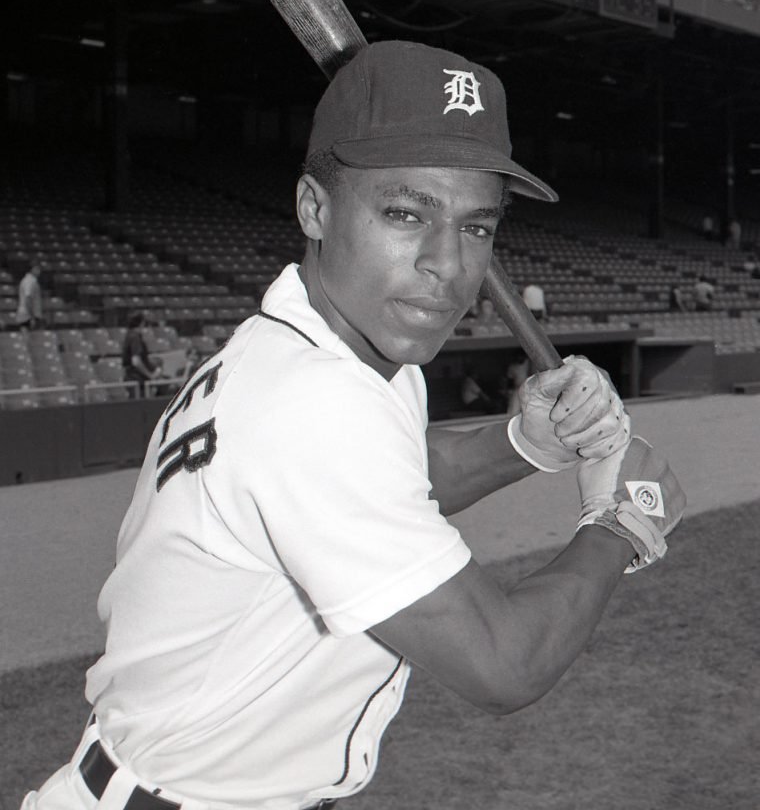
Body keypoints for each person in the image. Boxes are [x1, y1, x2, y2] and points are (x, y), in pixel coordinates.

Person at [23, 41, 686, 810]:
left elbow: (398, 473)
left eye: (476, 227)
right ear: (315, 206)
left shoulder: (318, 348)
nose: (447, 263)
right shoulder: (313, 404)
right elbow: (502, 665)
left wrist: (524, 446)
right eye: (406, 213)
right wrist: (621, 524)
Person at [121, 310, 161, 397]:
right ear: (142, 323)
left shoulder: (129, 335)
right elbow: (136, 361)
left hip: (133, 378)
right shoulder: (135, 338)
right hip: (137, 380)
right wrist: (150, 375)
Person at [15, 261, 43, 331]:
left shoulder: (31, 280)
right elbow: (28, 299)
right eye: (37, 269)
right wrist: (32, 317)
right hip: (28, 317)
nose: (39, 271)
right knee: (29, 339)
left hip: (29, 315)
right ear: (32, 269)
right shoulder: (29, 281)